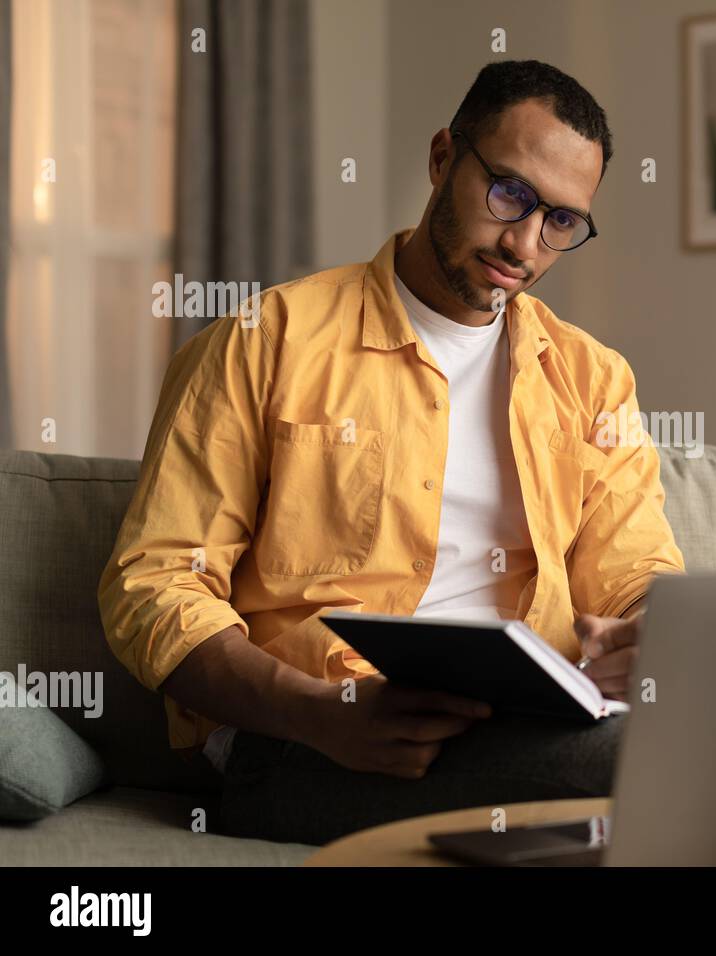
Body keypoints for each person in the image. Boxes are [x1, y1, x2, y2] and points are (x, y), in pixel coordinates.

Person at [98, 60, 685, 846]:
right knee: (639, 771)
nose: (524, 243)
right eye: (508, 192)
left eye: (561, 222)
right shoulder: (266, 341)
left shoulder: (592, 378)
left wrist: (648, 632)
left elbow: (634, 574)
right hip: (300, 744)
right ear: (444, 158)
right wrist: (316, 713)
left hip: (527, 730)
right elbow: (153, 586)